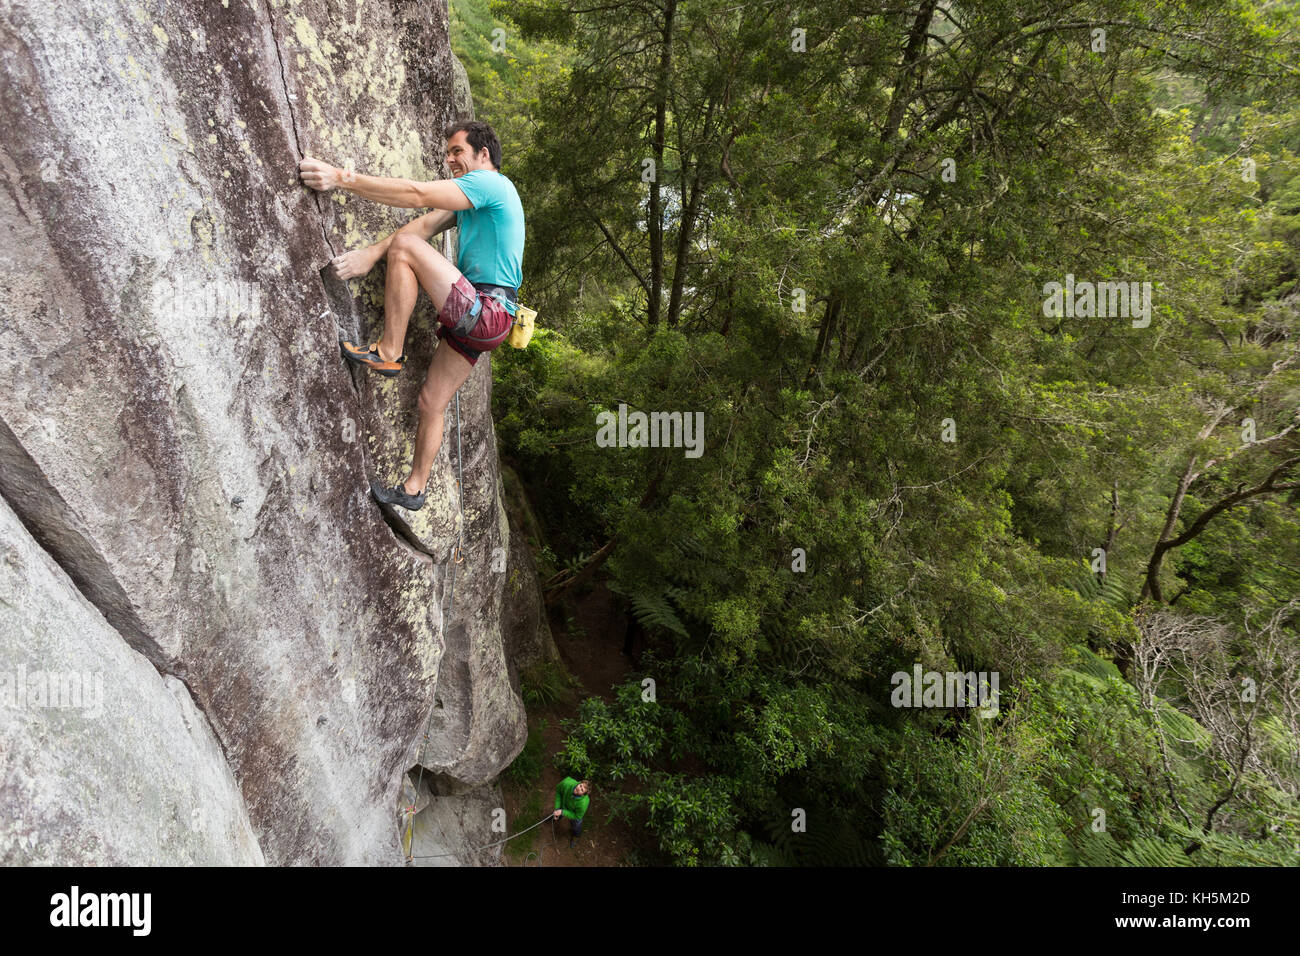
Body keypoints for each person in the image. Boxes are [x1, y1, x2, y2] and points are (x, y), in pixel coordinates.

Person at [297, 120, 525, 511]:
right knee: (431, 402)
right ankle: (415, 489)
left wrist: (341, 178)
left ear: (483, 155)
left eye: (457, 151)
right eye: (447, 152)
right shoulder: (473, 202)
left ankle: (389, 351)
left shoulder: (491, 184)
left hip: (485, 310)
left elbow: (416, 194)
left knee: (404, 247)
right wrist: (371, 254)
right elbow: (423, 224)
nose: (449, 159)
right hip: (485, 321)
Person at [553, 777, 590, 848]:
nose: (579, 788)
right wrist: (557, 808)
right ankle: (557, 816)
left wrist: (563, 812)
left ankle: (576, 836)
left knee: (577, 824)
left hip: (574, 812)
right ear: (579, 783)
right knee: (558, 810)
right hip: (564, 803)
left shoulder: (583, 803)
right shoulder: (567, 782)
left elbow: (577, 816)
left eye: (582, 790)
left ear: (583, 794)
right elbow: (558, 791)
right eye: (580, 785)